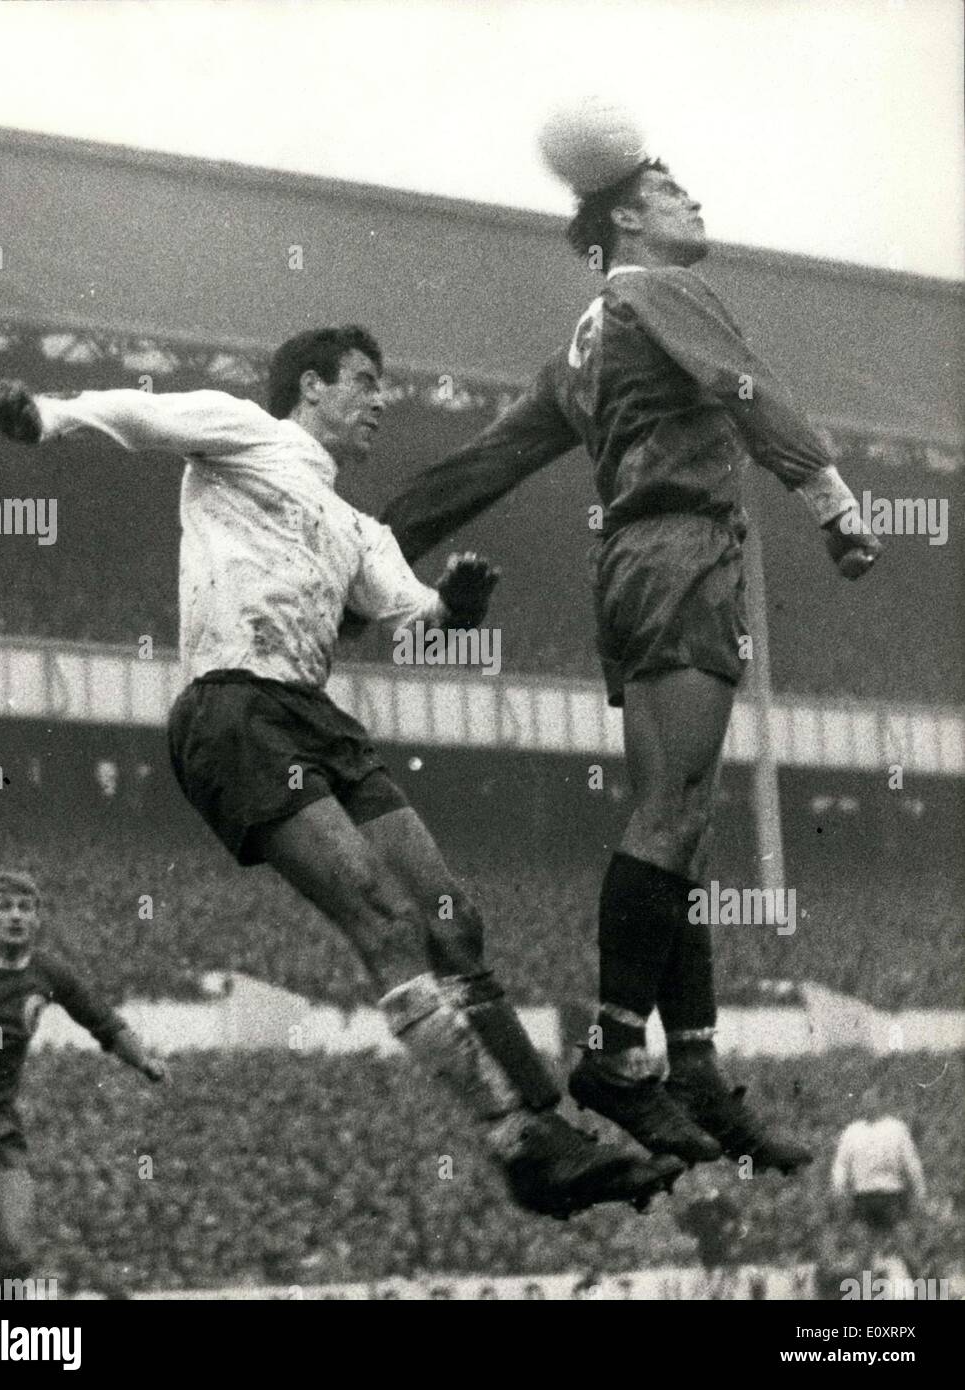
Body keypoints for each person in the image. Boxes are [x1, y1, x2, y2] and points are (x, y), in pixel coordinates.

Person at [0, 326, 681, 1220]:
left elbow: (412, 609)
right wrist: (44, 414)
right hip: (234, 709)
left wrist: (456, 608)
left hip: (315, 716)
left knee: (450, 921)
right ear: (310, 387)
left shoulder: (356, 527)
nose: (382, 400)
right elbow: (137, 413)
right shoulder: (244, 430)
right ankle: (517, 1141)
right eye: (364, 382)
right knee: (387, 923)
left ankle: (549, 1130)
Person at [377, 162, 882, 1173]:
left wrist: (377, 550)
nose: (695, 202)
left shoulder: (582, 344)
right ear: (628, 220)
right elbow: (746, 386)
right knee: (668, 814)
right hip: (685, 555)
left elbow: (490, 460)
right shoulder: (658, 289)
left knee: (681, 826)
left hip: (631, 565)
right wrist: (829, 494)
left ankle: (689, 1064)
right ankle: (615, 1052)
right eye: (673, 192)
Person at [0, 869, 166, 1301]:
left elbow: (101, 1020)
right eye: (4, 907)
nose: (15, 917)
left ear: (38, 918)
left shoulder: (48, 972)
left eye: (25, 908)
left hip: (1, 1118)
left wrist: (143, 1060)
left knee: (18, 1258)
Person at [831, 1087, 926, 1239]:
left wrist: (919, 1187)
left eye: (873, 1100)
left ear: (881, 1102)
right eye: (866, 1101)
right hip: (863, 1195)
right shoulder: (852, 1131)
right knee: (862, 1245)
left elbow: (911, 1160)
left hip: (891, 1194)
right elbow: (841, 1164)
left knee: (903, 1242)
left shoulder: (896, 1128)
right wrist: (838, 1188)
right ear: (861, 1104)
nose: (869, 1104)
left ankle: (914, 1263)